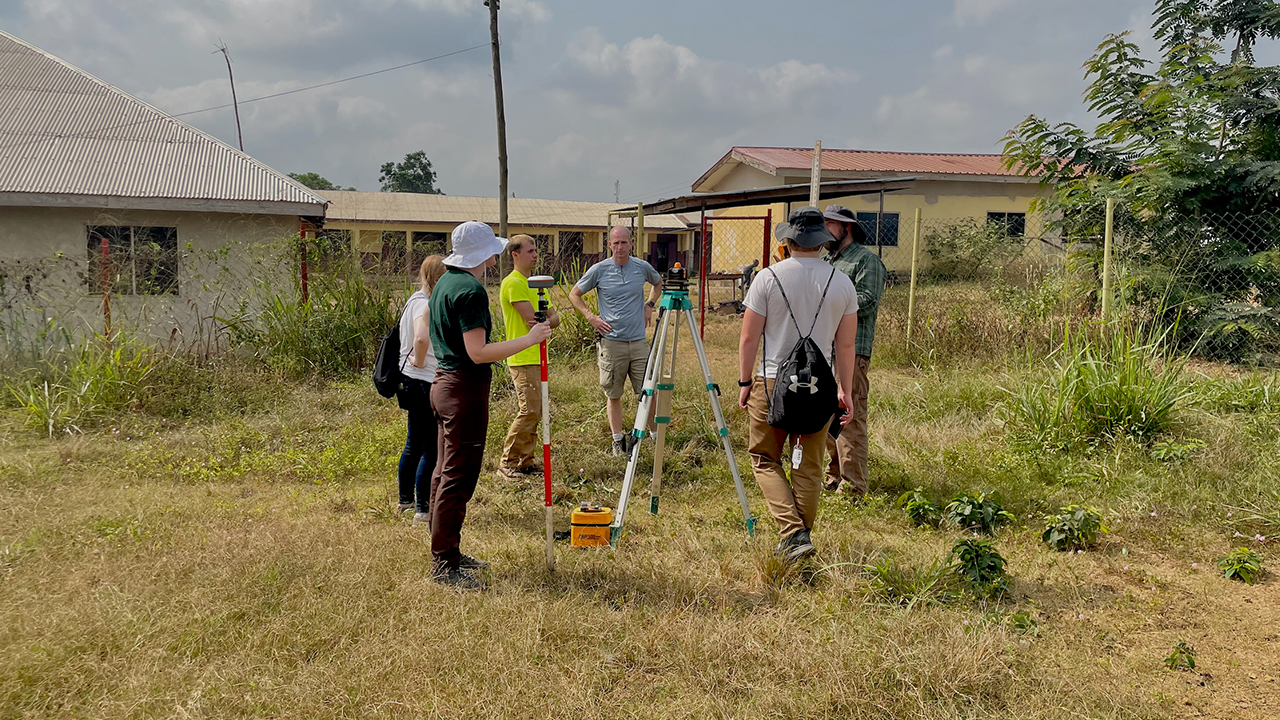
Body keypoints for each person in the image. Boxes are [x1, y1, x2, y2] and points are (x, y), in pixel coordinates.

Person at [429, 221, 552, 589]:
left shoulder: (444, 283)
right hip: (463, 388)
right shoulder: (469, 289)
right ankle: (444, 564)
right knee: (457, 476)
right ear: (486, 253)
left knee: (443, 472)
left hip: (444, 385)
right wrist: (530, 338)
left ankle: (448, 550)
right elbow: (478, 352)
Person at [737, 207, 858, 562]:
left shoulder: (767, 278)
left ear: (788, 241)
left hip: (772, 380)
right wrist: (845, 390)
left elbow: (748, 338)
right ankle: (798, 539)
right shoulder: (841, 282)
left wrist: (746, 381)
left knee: (763, 457)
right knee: (808, 464)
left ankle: (792, 534)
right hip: (820, 385)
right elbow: (846, 345)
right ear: (822, 242)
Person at [568, 226, 663, 456]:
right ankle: (617, 440)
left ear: (631, 244)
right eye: (615, 243)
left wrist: (649, 306)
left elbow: (658, 283)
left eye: (624, 242)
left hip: (639, 342)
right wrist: (591, 317)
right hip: (611, 343)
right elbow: (574, 294)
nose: (620, 247)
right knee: (613, 393)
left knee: (648, 392)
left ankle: (654, 437)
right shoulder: (599, 270)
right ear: (609, 245)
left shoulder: (641, 267)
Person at [821, 204, 887, 500]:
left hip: (853, 350)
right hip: (823, 349)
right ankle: (833, 476)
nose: (823, 231)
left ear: (844, 227)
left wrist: (827, 299)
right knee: (823, 417)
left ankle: (853, 488)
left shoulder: (866, 260)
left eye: (828, 225)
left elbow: (868, 301)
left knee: (850, 418)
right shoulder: (826, 260)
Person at [497, 235, 561, 480]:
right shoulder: (513, 283)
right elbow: (533, 320)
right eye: (530, 251)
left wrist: (547, 320)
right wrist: (546, 320)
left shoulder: (535, 284)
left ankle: (526, 461)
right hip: (522, 355)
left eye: (536, 251)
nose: (535, 255)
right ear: (515, 254)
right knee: (529, 410)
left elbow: (553, 320)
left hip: (538, 355)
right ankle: (508, 462)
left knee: (537, 410)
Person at [397, 255, 447, 526]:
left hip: (410, 380)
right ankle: (422, 508)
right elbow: (420, 336)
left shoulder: (412, 299)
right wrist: (420, 358)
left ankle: (405, 501)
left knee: (413, 444)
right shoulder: (425, 305)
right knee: (430, 448)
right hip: (423, 380)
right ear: (438, 278)